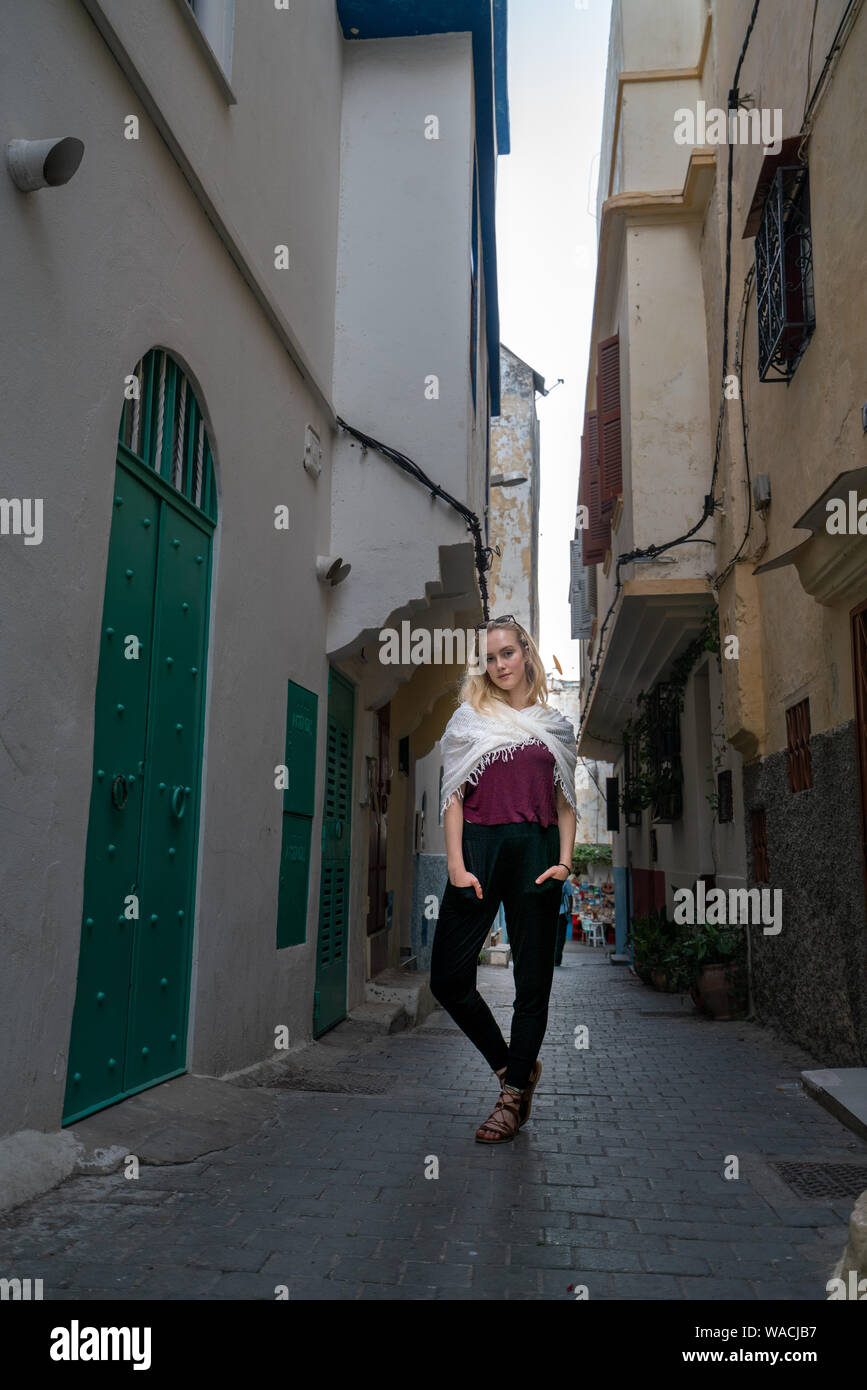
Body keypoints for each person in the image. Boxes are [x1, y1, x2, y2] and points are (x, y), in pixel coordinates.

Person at [430, 615, 578, 1144]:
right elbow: (452, 794)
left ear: (527, 654)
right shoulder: (468, 720)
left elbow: (565, 799)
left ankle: (513, 1097)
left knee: (532, 984)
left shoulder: (555, 725)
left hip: (536, 853)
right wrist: (455, 863)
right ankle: (510, 1067)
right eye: (491, 658)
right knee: (447, 978)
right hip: (477, 850)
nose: (499, 666)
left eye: (508, 654)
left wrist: (564, 862)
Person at [554, 873, 576, 967]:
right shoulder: (565, 881)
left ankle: (556, 959)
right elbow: (570, 896)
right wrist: (570, 910)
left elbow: (570, 896)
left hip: (558, 913)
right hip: (561, 913)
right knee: (560, 937)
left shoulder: (564, 881)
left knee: (557, 937)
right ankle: (557, 960)